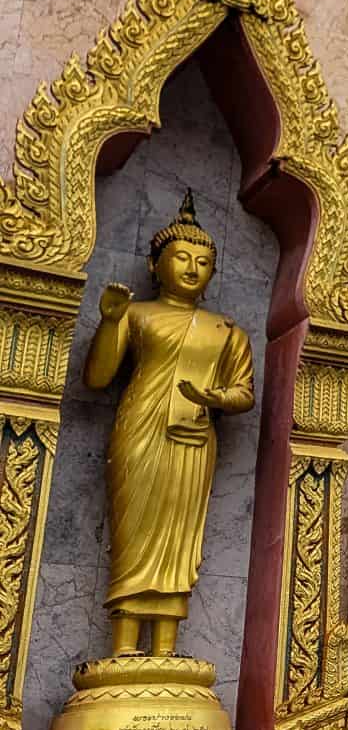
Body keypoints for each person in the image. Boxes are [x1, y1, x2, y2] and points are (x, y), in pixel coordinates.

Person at [89, 190, 255, 656]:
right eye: (180, 257)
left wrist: (214, 398)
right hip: (140, 431)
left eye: (203, 261)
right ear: (154, 265)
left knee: (179, 541)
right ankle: (122, 652)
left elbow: (244, 392)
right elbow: (98, 377)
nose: (191, 268)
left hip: (195, 437)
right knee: (134, 534)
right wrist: (109, 323)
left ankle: (166, 651)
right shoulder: (136, 314)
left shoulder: (227, 330)